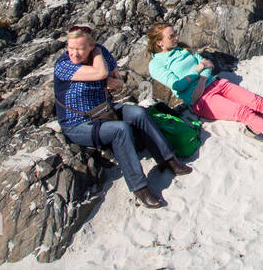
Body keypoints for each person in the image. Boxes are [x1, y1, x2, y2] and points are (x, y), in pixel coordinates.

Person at [53, 25, 191, 209]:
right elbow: (101, 73)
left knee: (139, 113)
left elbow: (117, 82)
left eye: (80, 48)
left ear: (91, 47)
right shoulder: (63, 65)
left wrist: (109, 74)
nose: (74, 54)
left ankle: (168, 159)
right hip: (78, 124)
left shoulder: (100, 55)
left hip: (103, 110)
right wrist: (103, 75)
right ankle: (140, 187)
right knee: (121, 130)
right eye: (70, 48)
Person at [146, 21, 263, 140]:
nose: (176, 37)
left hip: (213, 83)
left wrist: (201, 78)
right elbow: (178, 84)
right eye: (171, 36)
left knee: (257, 101)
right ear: (159, 43)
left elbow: (208, 64)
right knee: (243, 112)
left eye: (175, 34)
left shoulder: (182, 49)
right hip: (202, 100)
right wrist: (198, 70)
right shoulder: (156, 65)